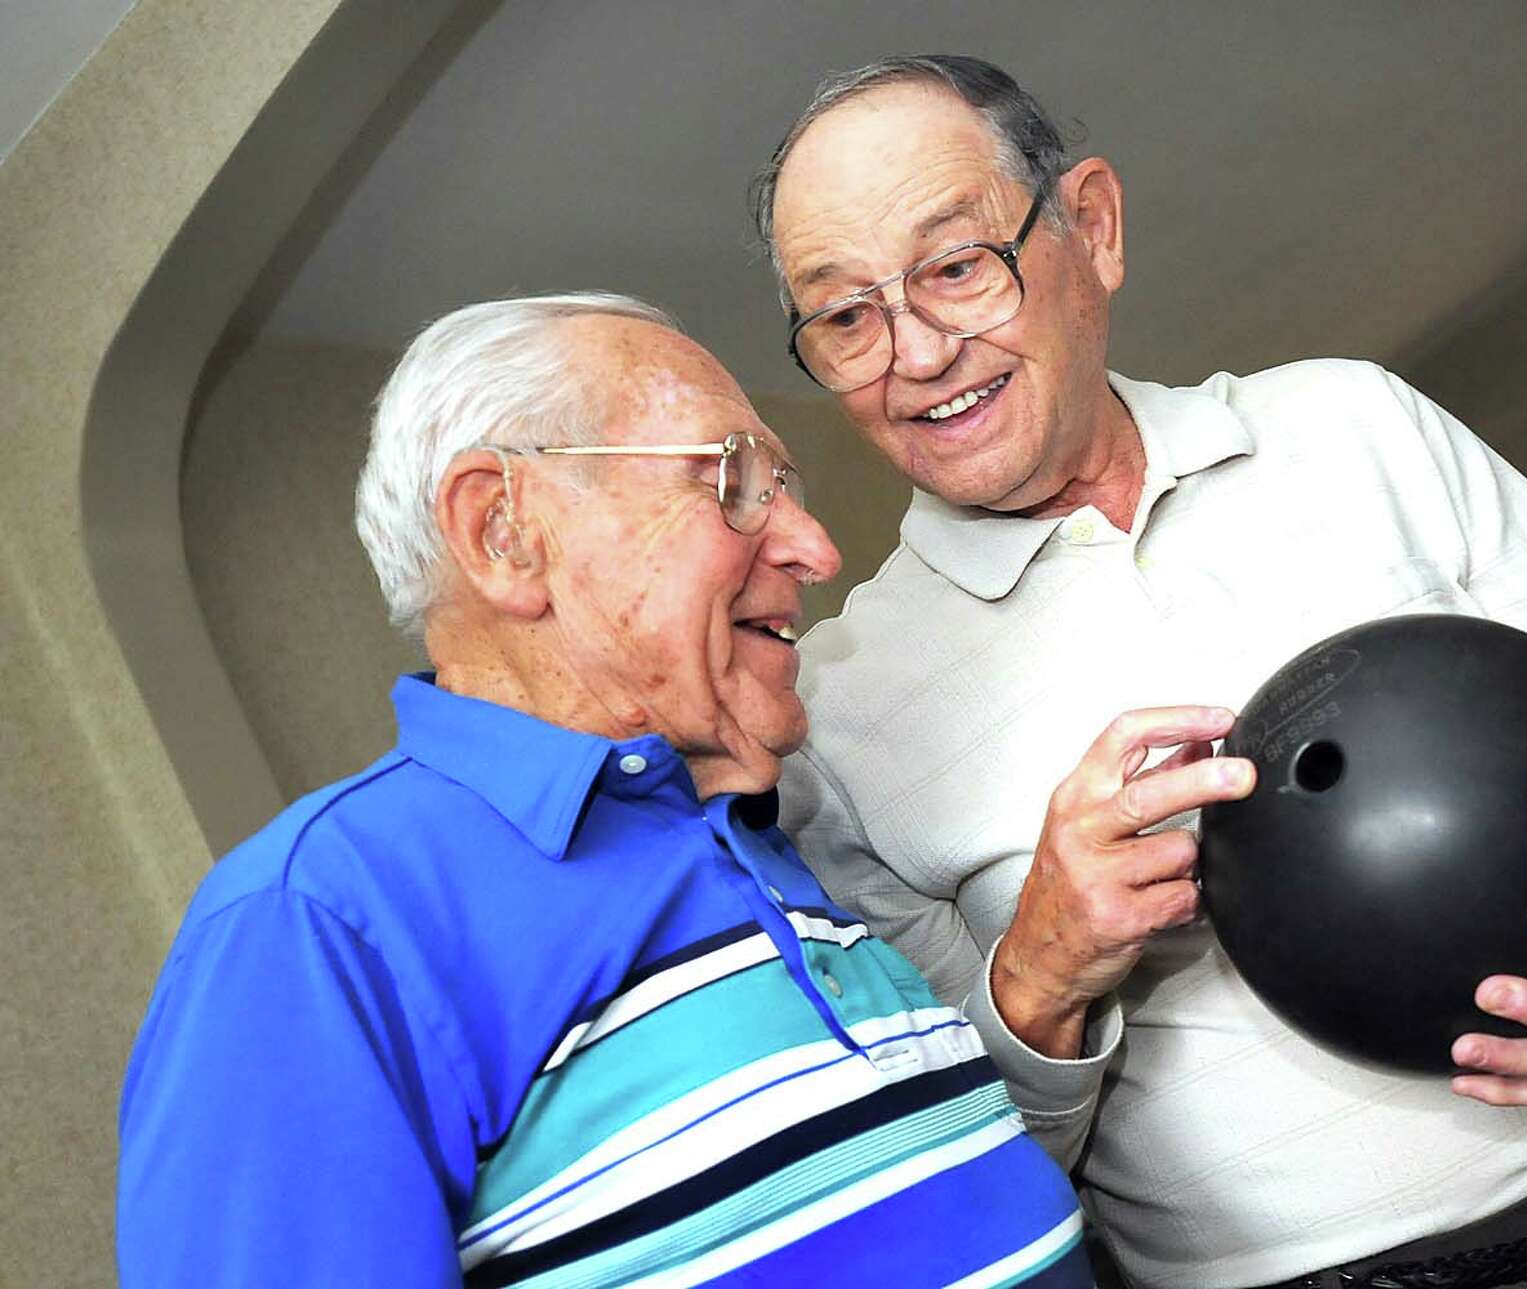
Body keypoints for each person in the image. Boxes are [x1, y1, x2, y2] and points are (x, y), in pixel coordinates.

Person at [756, 56, 1527, 1287]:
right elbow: (966, 1163)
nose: (918, 351)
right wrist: (1040, 962)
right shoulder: (829, 714)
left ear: (1090, 227)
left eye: (954, 267)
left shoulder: (1352, 424)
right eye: (844, 316)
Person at [116, 292, 1097, 1288]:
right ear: (503, 530)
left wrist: (1048, 980)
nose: (816, 547)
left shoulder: (763, 830)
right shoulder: (314, 919)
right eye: (735, 480)